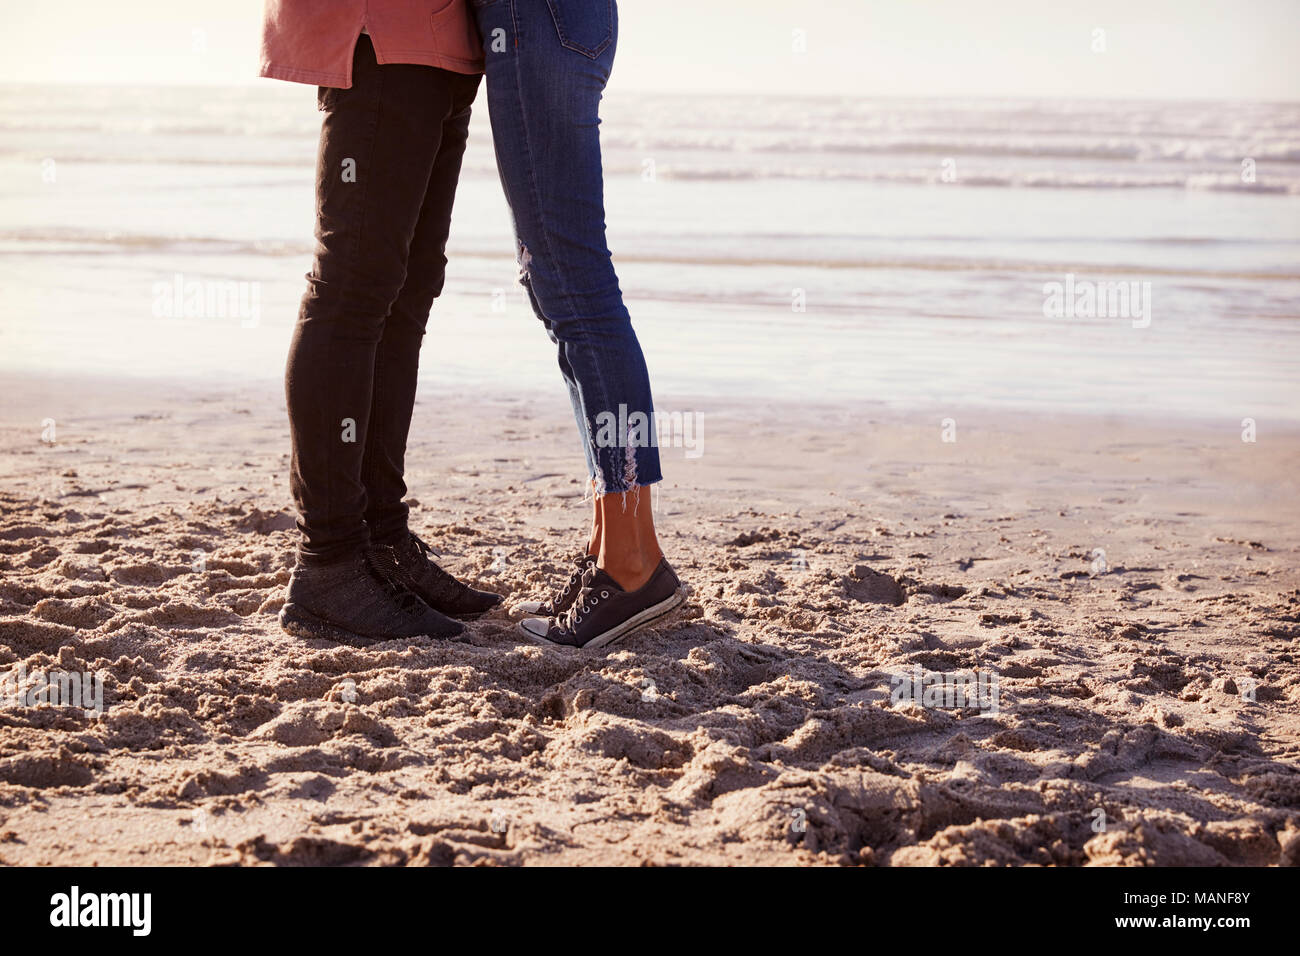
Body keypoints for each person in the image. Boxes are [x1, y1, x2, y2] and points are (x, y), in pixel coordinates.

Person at [260, 0, 501, 645]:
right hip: (379, 33)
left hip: (443, 44)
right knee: (352, 290)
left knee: (406, 292)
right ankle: (332, 561)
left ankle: (380, 540)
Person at [470, 0, 686, 648]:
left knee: (576, 287)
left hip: (538, 16)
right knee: (565, 289)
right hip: (558, 20)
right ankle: (621, 548)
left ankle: (629, 567)